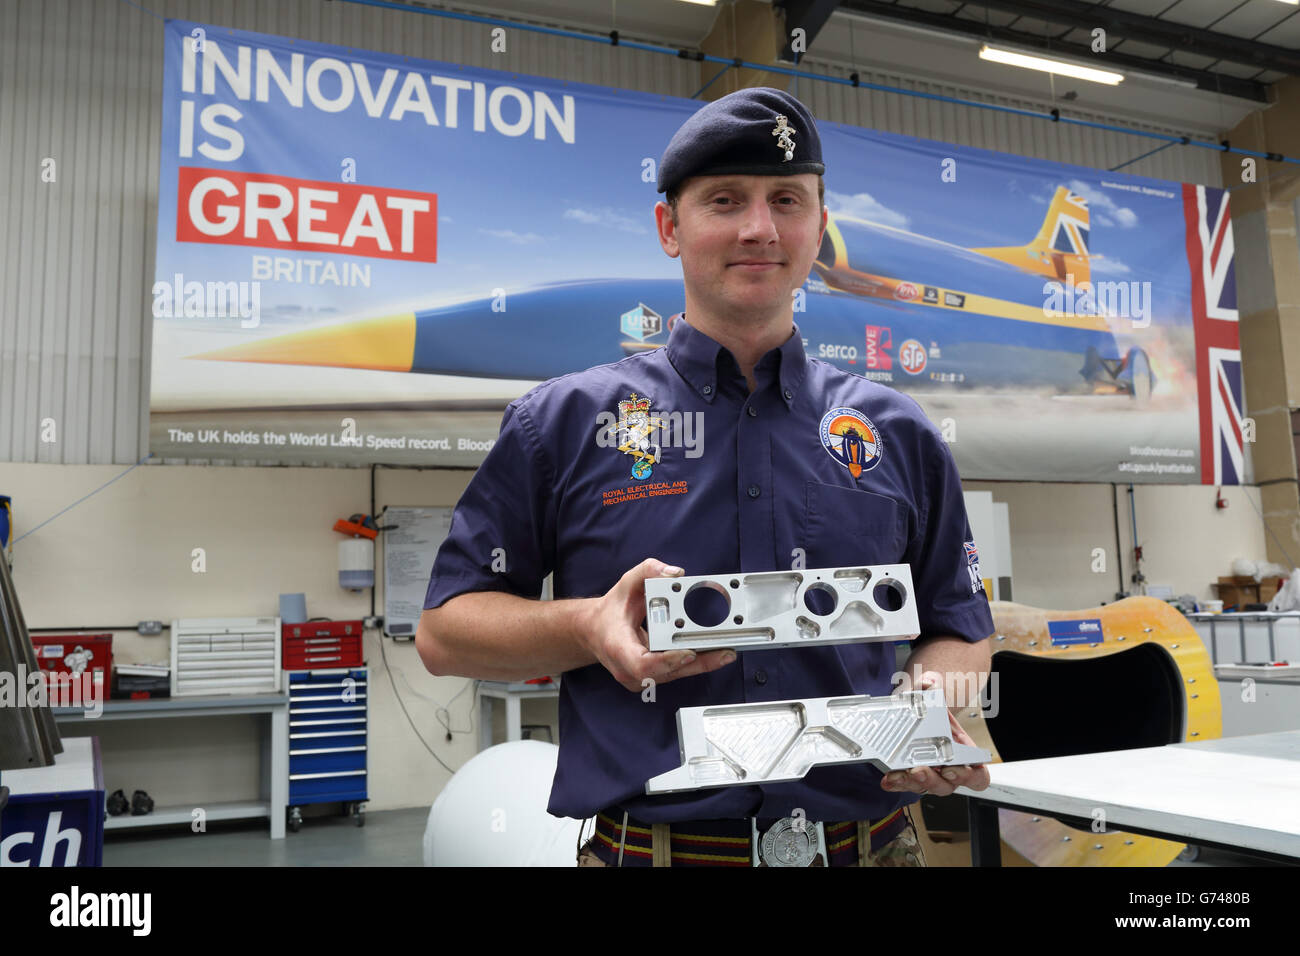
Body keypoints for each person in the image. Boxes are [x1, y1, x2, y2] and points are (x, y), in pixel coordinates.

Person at [418, 87, 994, 867]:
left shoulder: (898, 433)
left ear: (819, 228)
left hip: (871, 847)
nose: (760, 228)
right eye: (726, 200)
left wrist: (930, 706)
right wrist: (583, 626)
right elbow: (446, 631)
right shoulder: (561, 424)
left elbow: (958, 623)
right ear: (669, 228)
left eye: (787, 200)